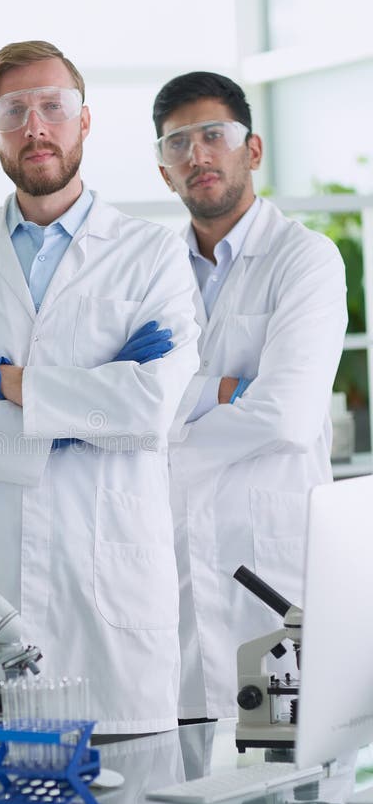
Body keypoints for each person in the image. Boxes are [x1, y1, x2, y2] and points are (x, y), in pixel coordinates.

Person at [0, 40, 200, 736]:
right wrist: (85, 409)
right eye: (13, 111)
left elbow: (151, 406)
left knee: (127, 794)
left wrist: (7, 383)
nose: (35, 126)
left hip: (109, 584)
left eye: (53, 107)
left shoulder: (151, 253)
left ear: (84, 120)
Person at [152, 72, 347, 721]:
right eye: (178, 143)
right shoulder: (149, 275)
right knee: (184, 766)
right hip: (176, 569)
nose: (197, 155)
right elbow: (120, 400)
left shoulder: (305, 260)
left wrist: (161, 434)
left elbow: (287, 416)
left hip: (275, 566)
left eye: (214, 135)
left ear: (253, 150)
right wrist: (220, 393)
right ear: (163, 171)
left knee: (291, 770)